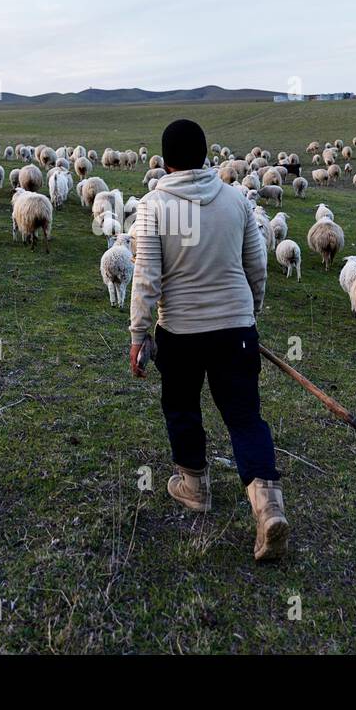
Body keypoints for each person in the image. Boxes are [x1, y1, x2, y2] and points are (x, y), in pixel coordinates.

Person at [128, 118, 288, 561]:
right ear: (204, 157)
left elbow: (146, 278)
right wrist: (247, 316)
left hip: (179, 332)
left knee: (182, 407)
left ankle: (193, 485)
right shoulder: (236, 200)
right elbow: (257, 266)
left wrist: (139, 333)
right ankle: (268, 505)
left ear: (166, 161)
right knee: (244, 416)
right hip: (234, 331)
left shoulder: (153, 205)